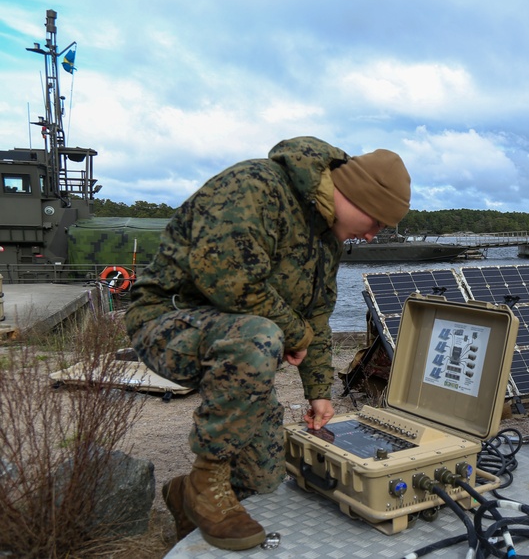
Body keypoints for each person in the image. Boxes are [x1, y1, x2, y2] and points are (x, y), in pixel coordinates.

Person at [124, 137, 411, 550]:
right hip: (166, 321)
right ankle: (208, 482)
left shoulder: (327, 240)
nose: (372, 235)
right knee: (262, 337)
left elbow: (316, 316)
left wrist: (318, 393)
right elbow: (229, 278)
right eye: (377, 222)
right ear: (359, 197)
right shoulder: (256, 186)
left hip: (238, 337)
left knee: (264, 475)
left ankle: (184, 497)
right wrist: (294, 334)